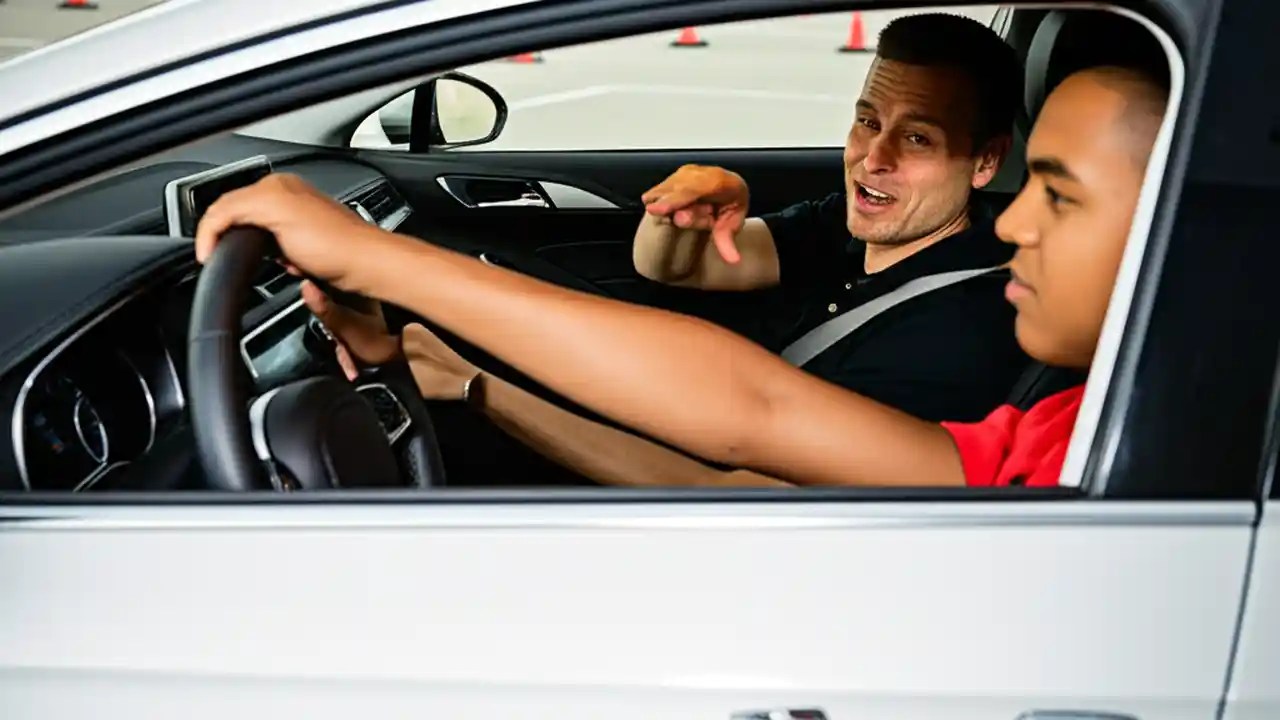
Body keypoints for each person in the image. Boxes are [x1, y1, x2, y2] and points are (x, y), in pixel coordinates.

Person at [196, 60, 1170, 489]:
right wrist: (460, 379)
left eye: (1062, 194)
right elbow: (685, 288)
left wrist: (379, 262)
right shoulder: (1053, 429)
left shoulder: (987, 348)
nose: (1021, 228)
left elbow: (755, 423)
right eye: (864, 120)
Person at [631, 12, 1029, 423]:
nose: (873, 158)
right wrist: (674, 216)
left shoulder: (959, 335)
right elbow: (681, 267)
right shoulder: (846, 223)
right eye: (869, 122)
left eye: (917, 139)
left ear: (986, 162)